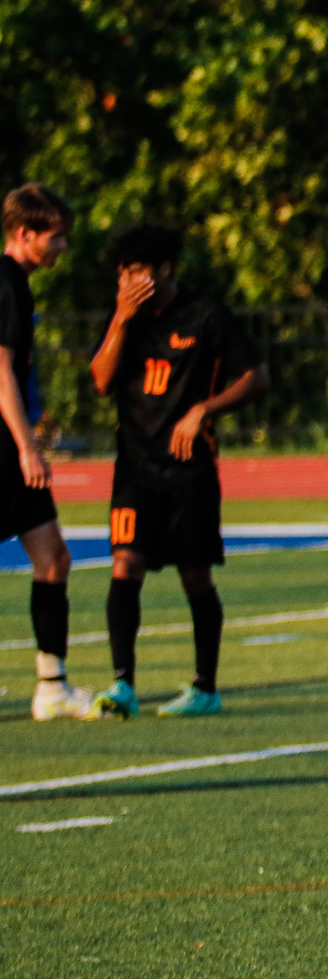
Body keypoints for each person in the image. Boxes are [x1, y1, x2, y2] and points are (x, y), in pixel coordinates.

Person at [86, 222, 269, 718]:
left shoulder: (204, 315)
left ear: (165, 269)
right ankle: (122, 685)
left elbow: (257, 376)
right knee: (125, 565)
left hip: (191, 470)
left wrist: (204, 410)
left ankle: (205, 688)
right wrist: (120, 320)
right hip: (134, 468)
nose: (128, 281)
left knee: (195, 575)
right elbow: (100, 382)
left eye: (137, 271)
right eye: (122, 273)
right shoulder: (124, 318)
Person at [1, 184, 94, 720]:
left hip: (10, 444)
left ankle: (52, 687)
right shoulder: (7, 282)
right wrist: (25, 447)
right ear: (24, 233)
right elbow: (0, 370)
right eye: (55, 237)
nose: (62, 247)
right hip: (4, 451)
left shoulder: (15, 282)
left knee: (53, 558)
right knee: (52, 558)